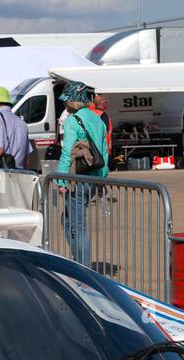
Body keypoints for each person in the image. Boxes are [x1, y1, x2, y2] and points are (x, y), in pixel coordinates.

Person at [55, 82, 107, 267]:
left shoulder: (73, 120)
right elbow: (104, 153)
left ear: (73, 101)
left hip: (77, 179)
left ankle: (83, 266)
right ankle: (79, 260)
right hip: (94, 177)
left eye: (67, 100)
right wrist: (102, 180)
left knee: (78, 225)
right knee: (68, 220)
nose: (65, 104)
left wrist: (61, 180)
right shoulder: (98, 120)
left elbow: (67, 153)